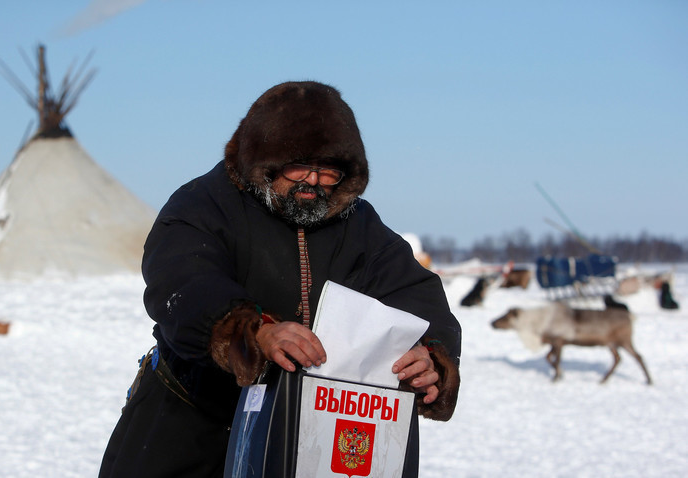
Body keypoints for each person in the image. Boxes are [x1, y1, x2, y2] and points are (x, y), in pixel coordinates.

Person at [98, 81, 461, 478]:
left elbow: (410, 290)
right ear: (265, 160)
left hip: (304, 432)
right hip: (189, 424)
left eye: (331, 170)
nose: (315, 181)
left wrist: (430, 355)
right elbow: (183, 279)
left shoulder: (359, 223)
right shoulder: (203, 204)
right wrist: (254, 332)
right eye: (299, 165)